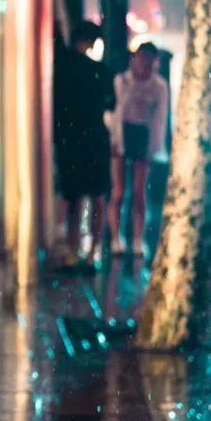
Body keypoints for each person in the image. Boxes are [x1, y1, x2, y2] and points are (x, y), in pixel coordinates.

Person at [53, 21, 114, 267]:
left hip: (70, 139)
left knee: (74, 197)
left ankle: (72, 248)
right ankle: (93, 252)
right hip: (96, 138)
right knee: (97, 195)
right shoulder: (101, 72)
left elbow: (58, 108)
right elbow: (110, 105)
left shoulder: (62, 70)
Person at [107, 41, 169, 260]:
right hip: (122, 135)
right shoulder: (122, 81)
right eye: (141, 58)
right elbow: (114, 112)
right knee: (119, 191)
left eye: (149, 60)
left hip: (143, 137)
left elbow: (160, 119)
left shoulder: (159, 86)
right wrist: (115, 140)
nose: (143, 63)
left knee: (140, 192)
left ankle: (137, 239)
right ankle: (116, 238)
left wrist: (155, 148)